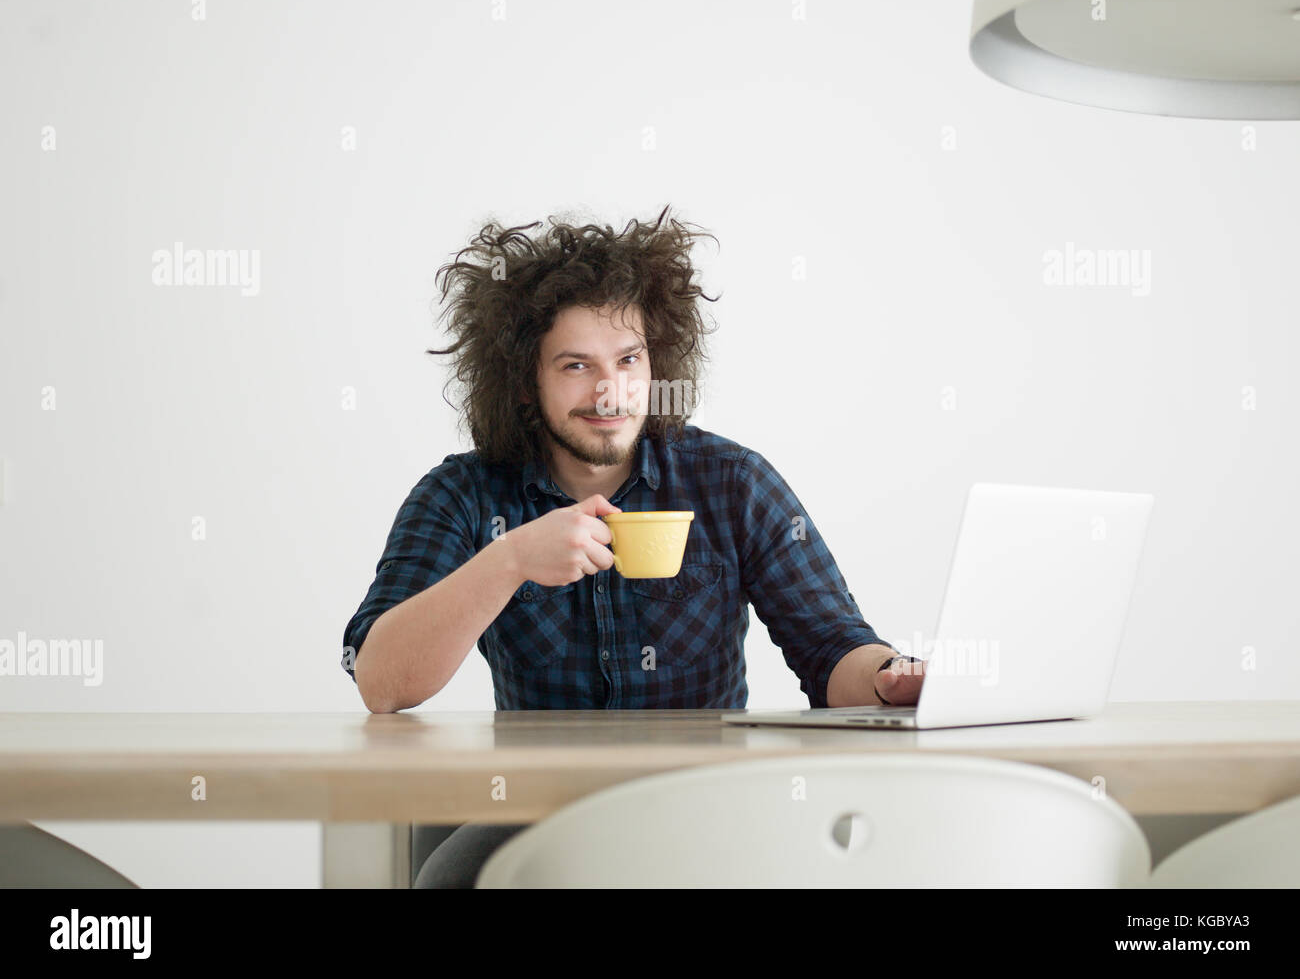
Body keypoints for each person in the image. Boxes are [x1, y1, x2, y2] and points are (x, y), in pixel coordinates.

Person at [342, 206, 927, 887]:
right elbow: (381, 681)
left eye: (628, 360)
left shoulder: (730, 480)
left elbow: (832, 650)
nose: (609, 390)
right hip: (542, 813)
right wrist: (507, 561)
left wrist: (888, 675)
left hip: (708, 813)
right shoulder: (464, 494)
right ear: (526, 383)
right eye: (574, 365)